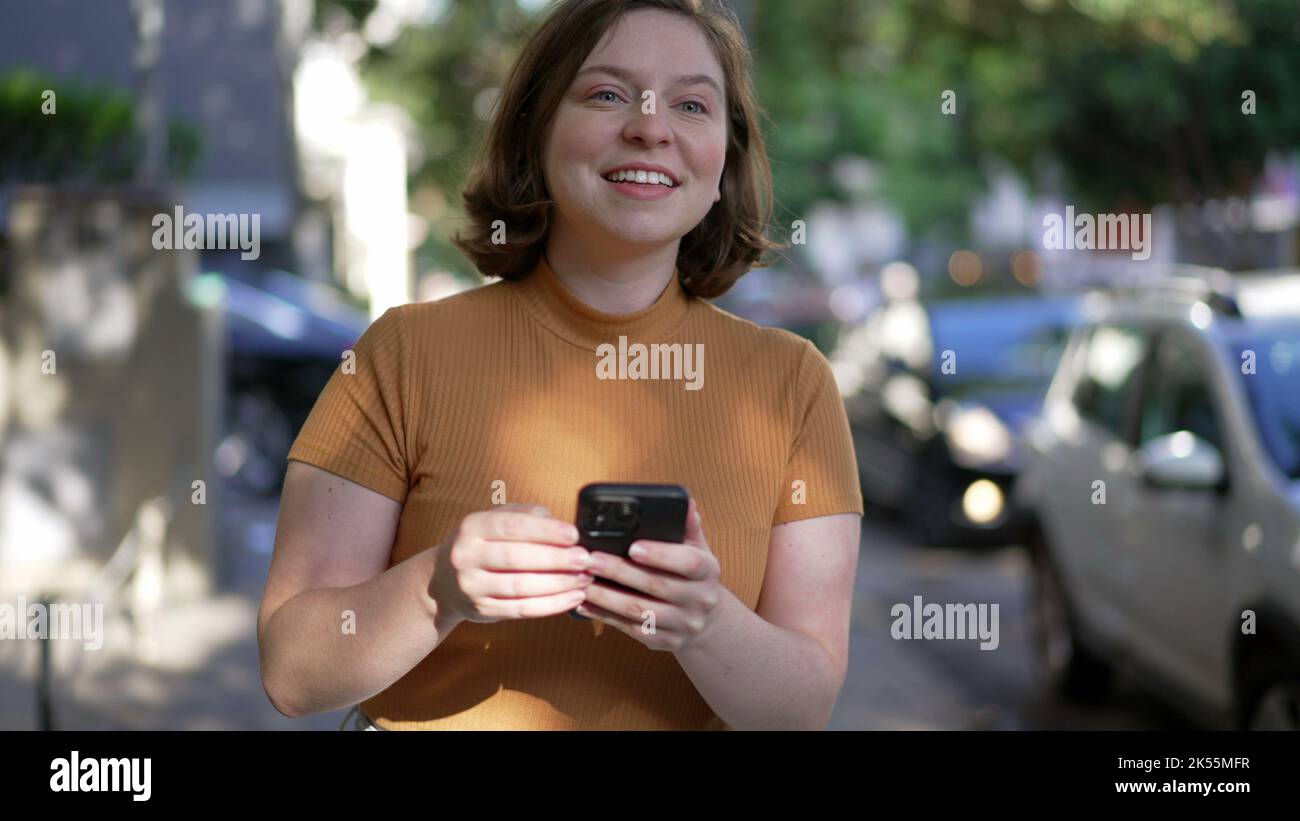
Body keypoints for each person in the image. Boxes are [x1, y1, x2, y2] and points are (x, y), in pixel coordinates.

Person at [256, 0, 863, 731]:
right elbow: (292, 671)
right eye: (607, 93)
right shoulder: (402, 354)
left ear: (723, 159)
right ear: (535, 129)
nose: (651, 126)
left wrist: (707, 623)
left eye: (692, 104)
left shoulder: (793, 383)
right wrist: (437, 588)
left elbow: (802, 710)